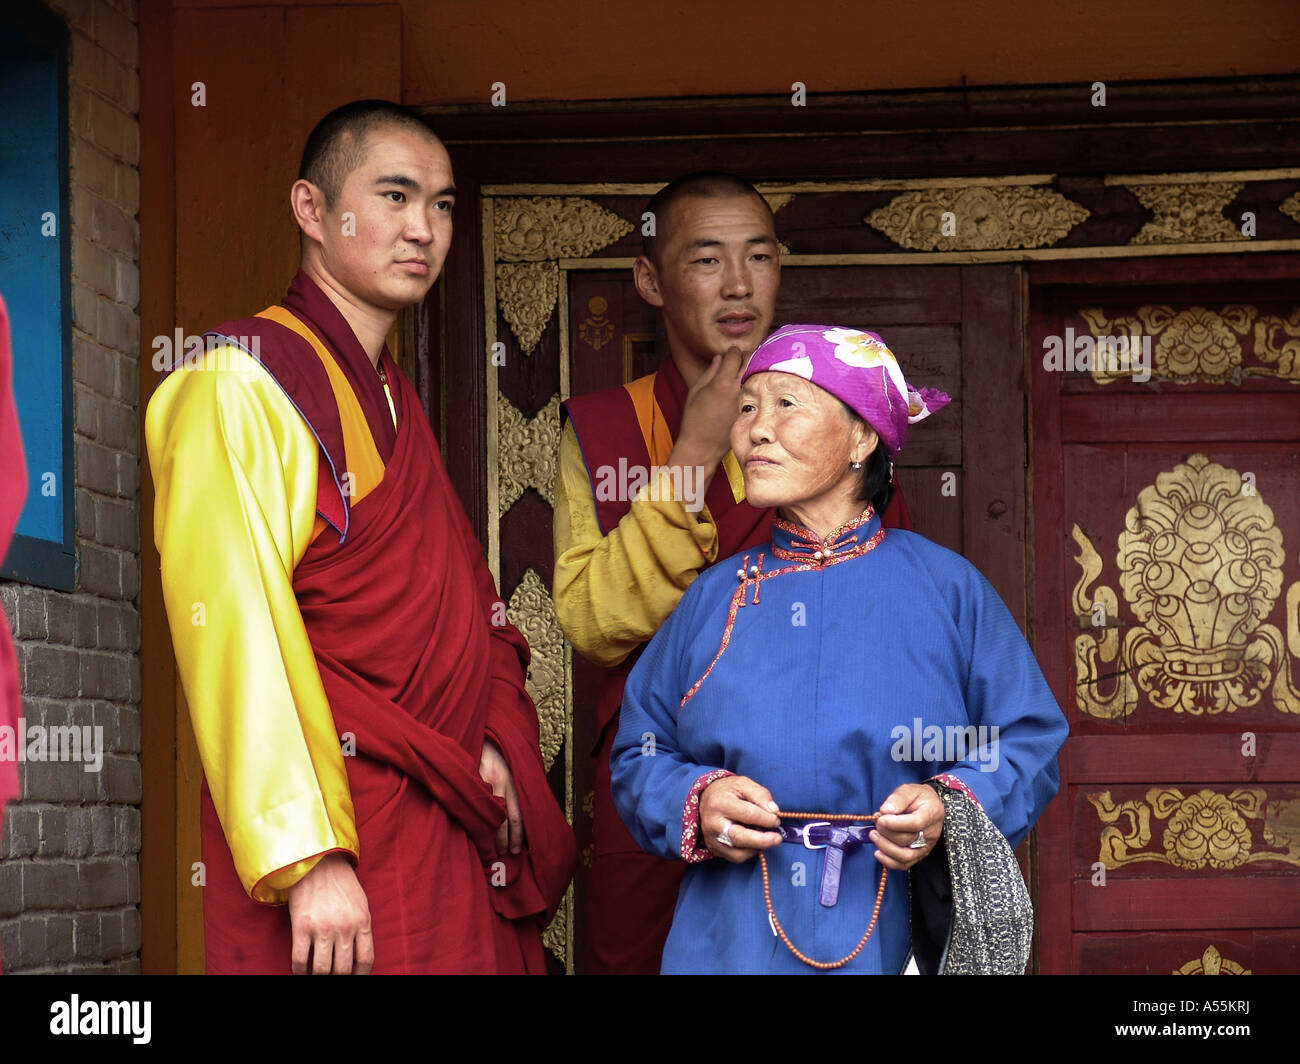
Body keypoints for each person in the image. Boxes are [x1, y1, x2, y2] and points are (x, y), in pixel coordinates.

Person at [146, 100, 575, 974]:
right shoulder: (236, 383)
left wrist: (494, 731)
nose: (423, 228)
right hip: (341, 826)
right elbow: (234, 633)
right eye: (394, 195)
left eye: (444, 205)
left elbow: (470, 607)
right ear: (313, 210)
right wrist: (307, 857)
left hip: (445, 807)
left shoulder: (392, 400)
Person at [610, 324, 1068, 974]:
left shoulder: (947, 588)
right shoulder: (714, 598)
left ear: (862, 436)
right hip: (731, 935)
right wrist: (698, 798)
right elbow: (639, 751)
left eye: (786, 404)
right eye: (747, 407)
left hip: (892, 925)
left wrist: (949, 804)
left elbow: (1027, 739)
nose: (755, 431)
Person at [554, 173, 914, 974]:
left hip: (832, 806)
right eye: (707, 259)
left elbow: (889, 613)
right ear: (650, 280)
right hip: (657, 796)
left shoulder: (838, 419)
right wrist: (692, 454)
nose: (740, 284)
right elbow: (592, 620)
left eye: (760, 256)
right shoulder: (608, 429)